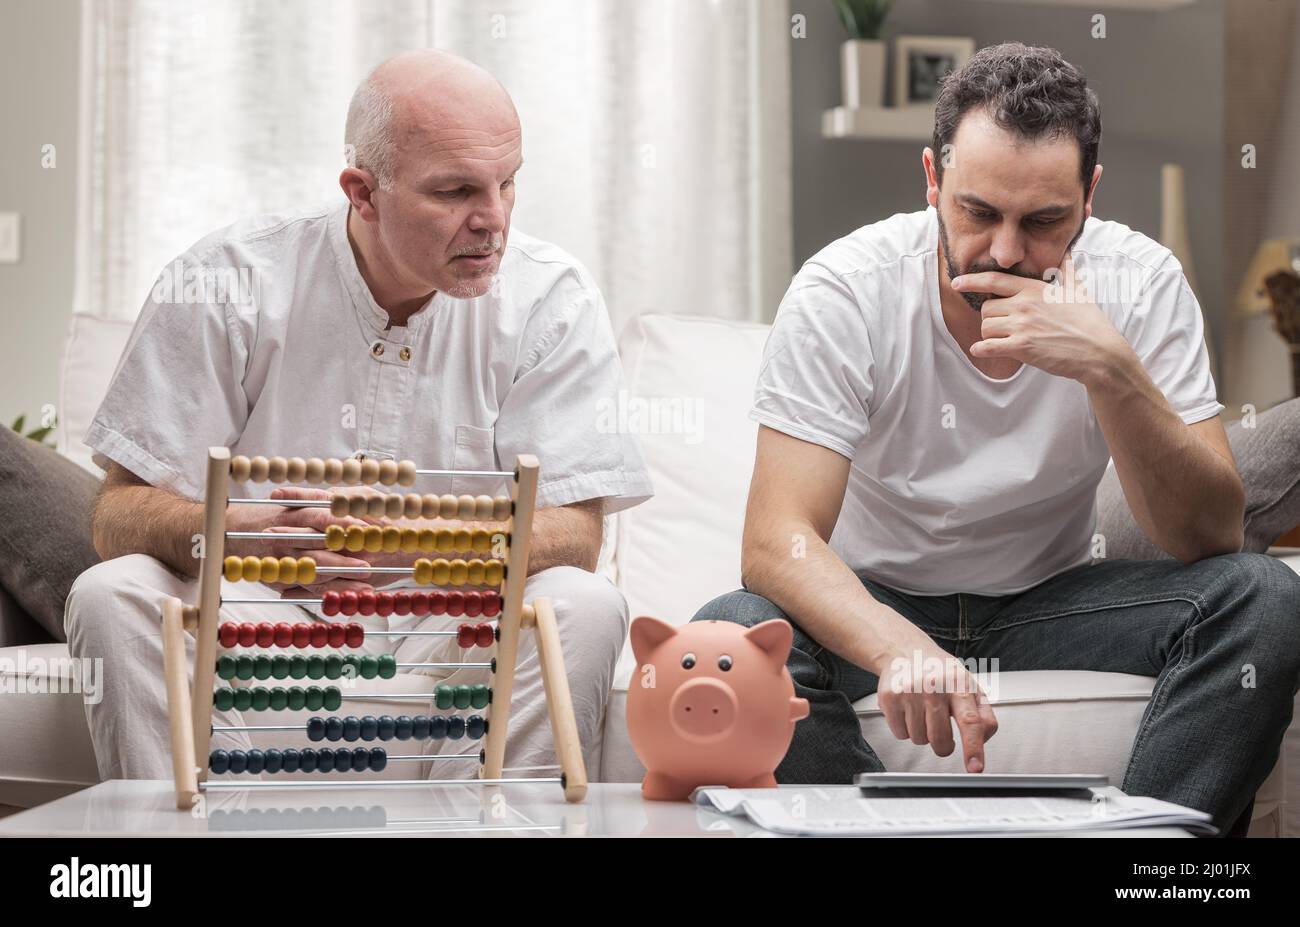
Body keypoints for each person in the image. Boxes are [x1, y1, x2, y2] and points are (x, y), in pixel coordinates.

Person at [692, 42, 1300, 837]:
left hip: (1050, 603)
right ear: (933, 182)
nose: (1007, 252)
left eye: (1044, 221)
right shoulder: (846, 289)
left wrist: (1109, 369)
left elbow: (1209, 533)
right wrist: (900, 647)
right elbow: (775, 542)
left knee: (1264, 596)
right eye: (978, 212)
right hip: (882, 596)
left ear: (1090, 197)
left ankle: (1148, 869)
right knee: (736, 629)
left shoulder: (1141, 283)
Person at [65, 49, 652, 782]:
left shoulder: (551, 298)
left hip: (455, 626)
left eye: (508, 183)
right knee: (109, 594)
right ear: (363, 192)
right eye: (457, 191)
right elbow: (116, 514)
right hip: (265, 616)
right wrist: (249, 533)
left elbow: (575, 531)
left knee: (584, 603)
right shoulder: (225, 280)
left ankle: (500, 831)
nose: (494, 221)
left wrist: (401, 540)